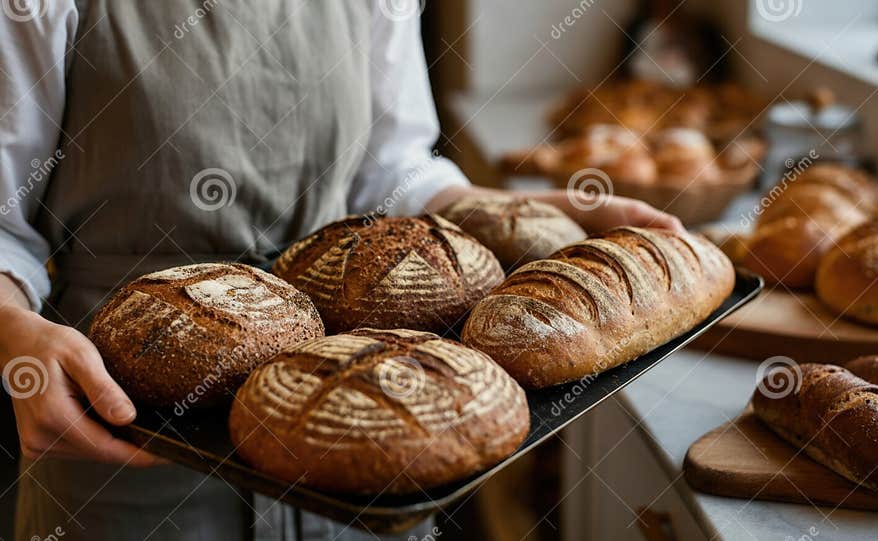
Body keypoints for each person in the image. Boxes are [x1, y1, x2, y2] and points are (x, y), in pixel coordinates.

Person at [0, 1, 684, 539]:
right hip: (124, 422)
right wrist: (12, 332)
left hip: (367, 423)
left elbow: (391, 172)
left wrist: (507, 212)